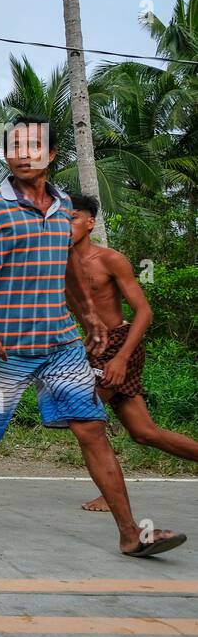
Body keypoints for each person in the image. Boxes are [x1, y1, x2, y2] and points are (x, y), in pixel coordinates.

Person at [0, 117, 187, 558]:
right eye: (15, 146)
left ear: (51, 156)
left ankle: (131, 533)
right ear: (7, 155)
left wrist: (87, 313)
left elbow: (68, 262)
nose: (23, 153)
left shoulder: (64, 206)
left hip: (61, 344)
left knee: (91, 427)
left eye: (34, 146)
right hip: (4, 344)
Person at [65, 193, 198, 510]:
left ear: (89, 222)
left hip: (121, 343)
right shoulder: (59, 263)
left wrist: (122, 357)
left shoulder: (109, 260)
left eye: (71, 218)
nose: (65, 225)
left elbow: (144, 312)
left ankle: (111, 496)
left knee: (86, 420)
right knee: (144, 432)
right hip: (94, 347)